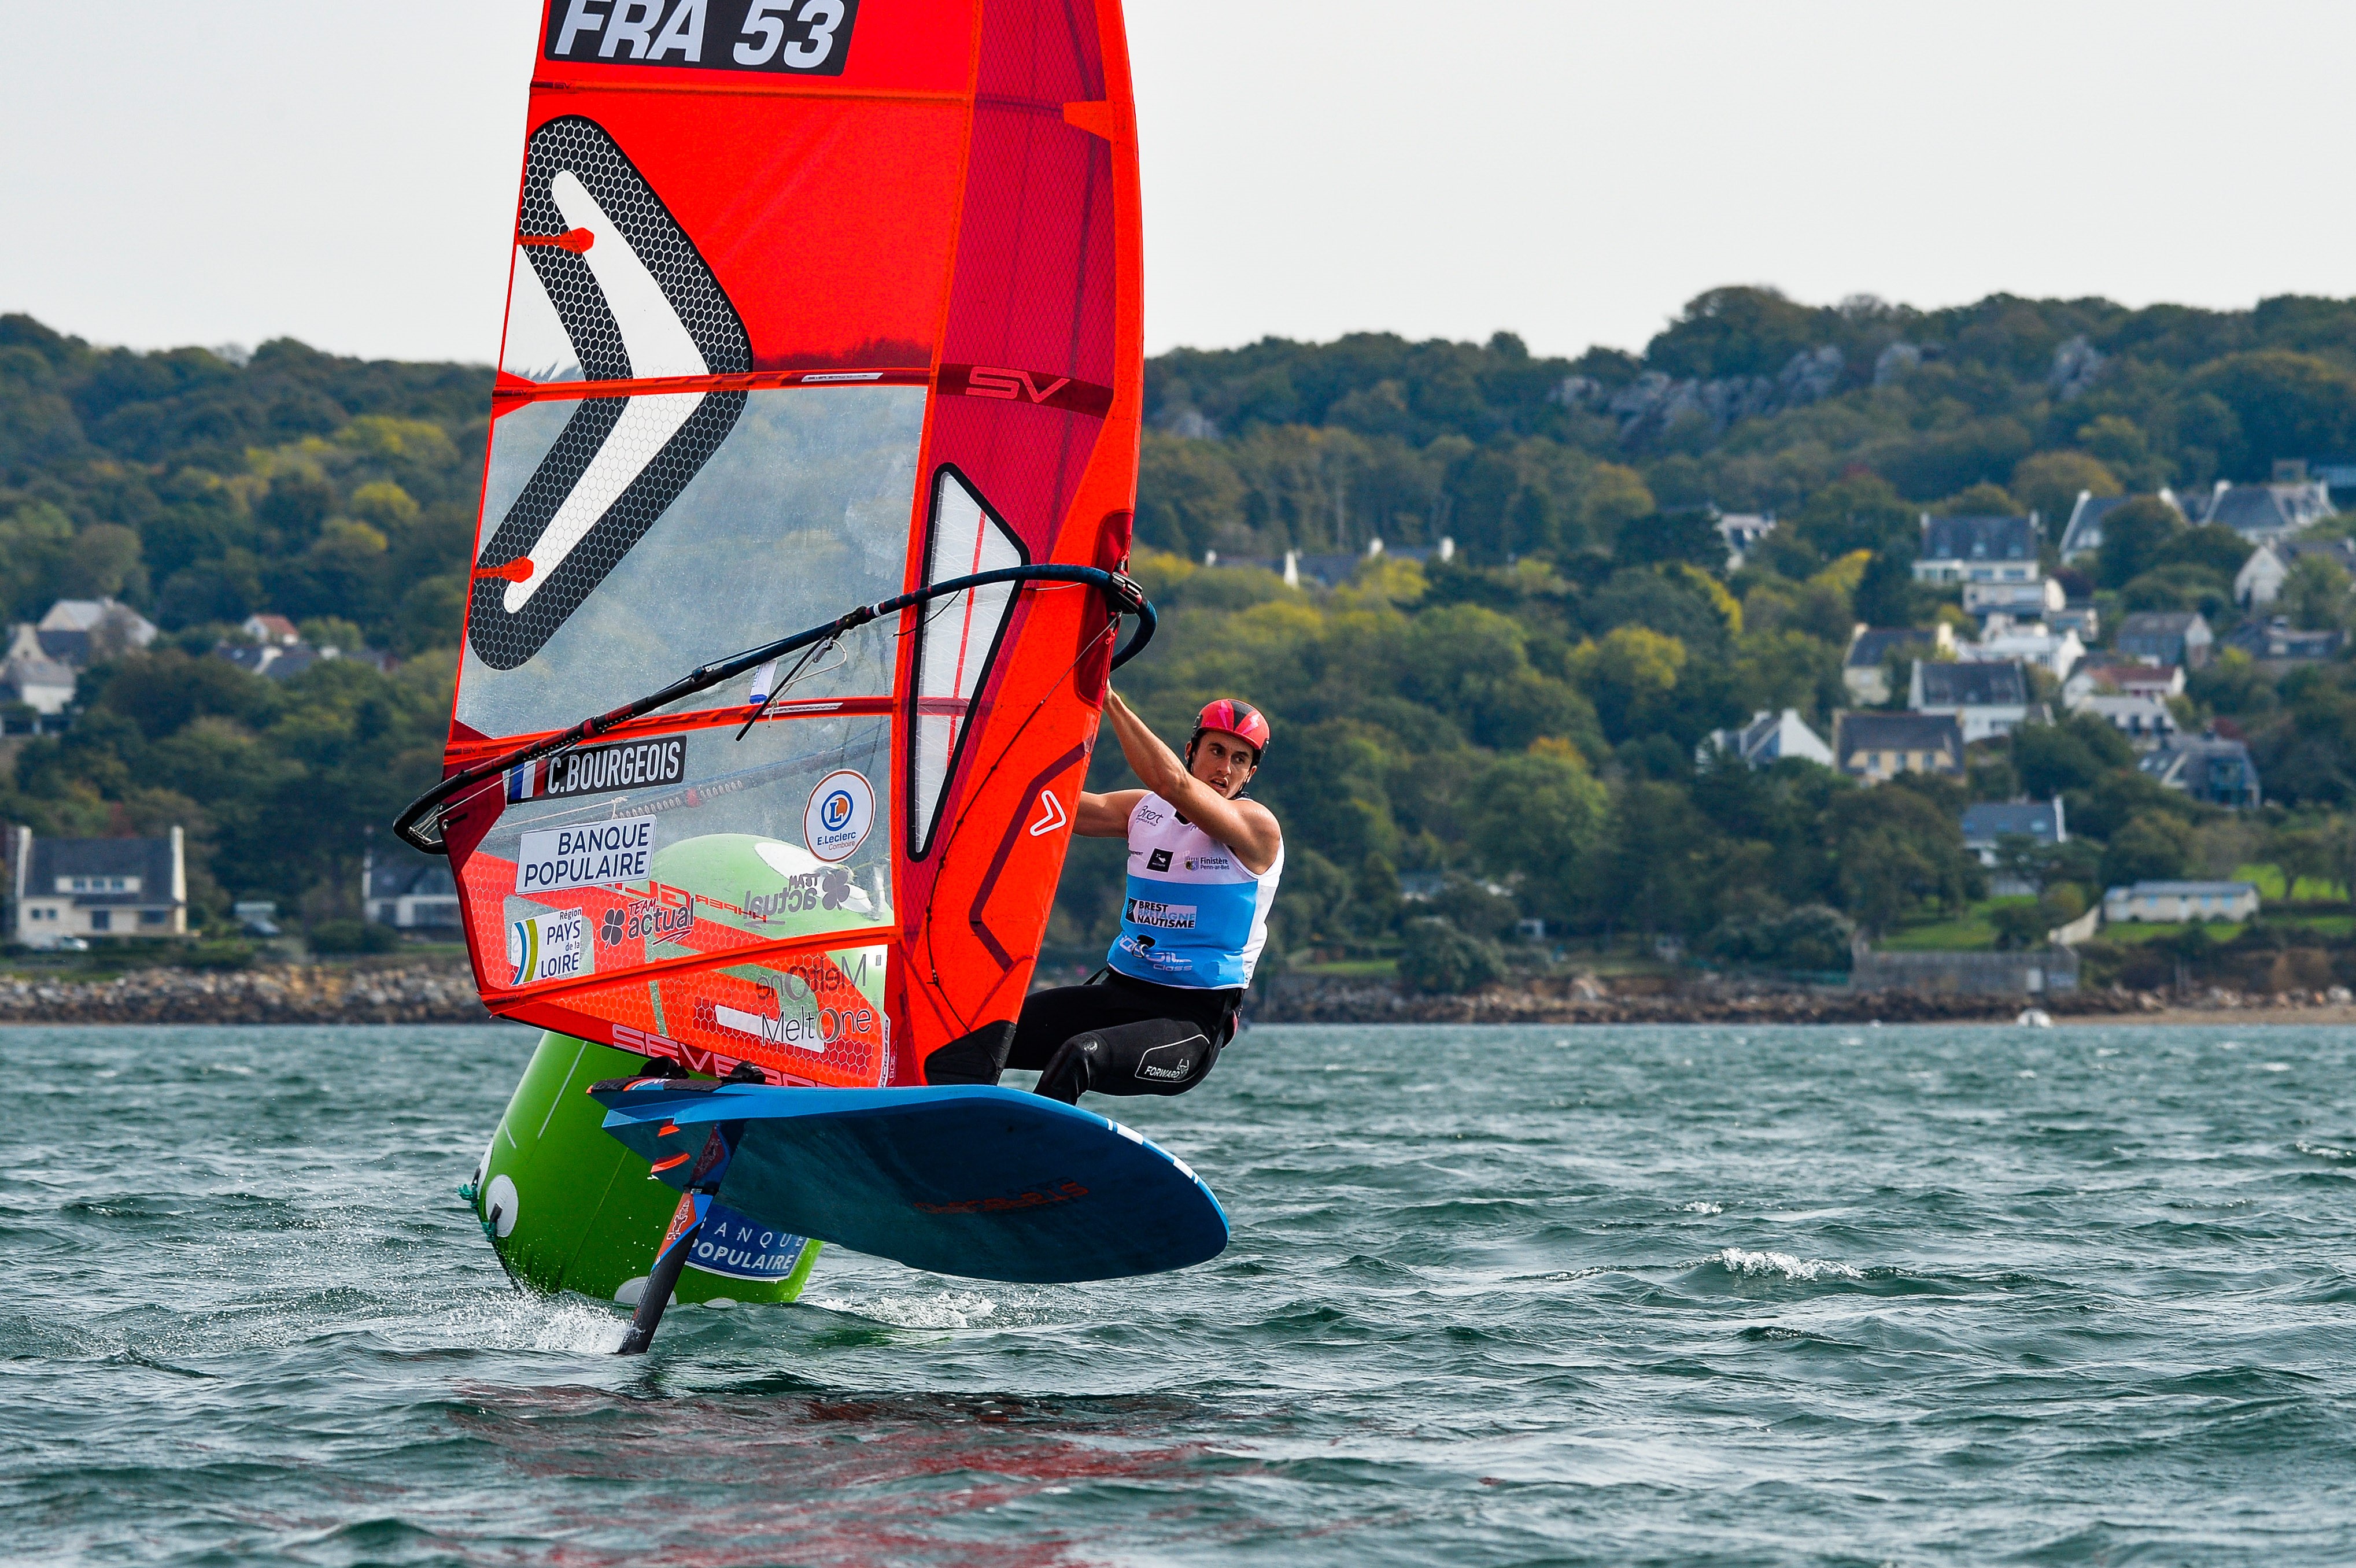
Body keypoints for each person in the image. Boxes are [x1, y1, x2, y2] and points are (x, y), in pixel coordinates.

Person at [924, 693, 1284, 1103]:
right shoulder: (1144, 810)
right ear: (1191, 750)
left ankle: (1026, 1158)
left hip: (1190, 1023)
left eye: (1239, 759)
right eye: (1216, 751)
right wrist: (949, 763)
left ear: (1250, 773)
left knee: (1080, 1055)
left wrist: (1108, 700)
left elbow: (1174, 784)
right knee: (975, 1036)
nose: (1224, 768)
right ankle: (935, 1134)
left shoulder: (1257, 829)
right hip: (1118, 995)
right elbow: (1049, 804)